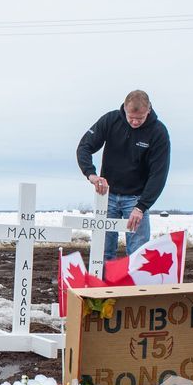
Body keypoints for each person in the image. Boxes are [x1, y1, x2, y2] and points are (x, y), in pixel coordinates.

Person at [76, 90, 171, 260]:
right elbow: (84, 146)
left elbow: (159, 174)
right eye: (130, 117)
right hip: (106, 195)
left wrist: (141, 207)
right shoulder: (111, 120)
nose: (134, 122)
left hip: (136, 199)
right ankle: (103, 285)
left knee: (138, 253)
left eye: (139, 118)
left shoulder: (158, 132)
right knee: (103, 252)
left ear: (148, 110)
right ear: (124, 109)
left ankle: (134, 286)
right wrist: (91, 174)